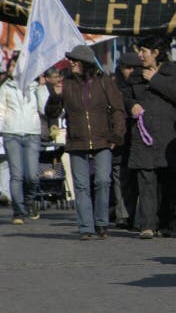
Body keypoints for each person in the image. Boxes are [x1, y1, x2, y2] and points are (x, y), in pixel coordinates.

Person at [45, 45, 125, 239]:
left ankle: (101, 223)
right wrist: (55, 96)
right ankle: (86, 227)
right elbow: (52, 113)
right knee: (81, 185)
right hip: (77, 141)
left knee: (103, 181)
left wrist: (117, 135)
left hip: (102, 139)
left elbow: (118, 109)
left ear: (85, 63)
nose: (71, 63)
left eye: (75, 60)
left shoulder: (103, 81)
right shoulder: (67, 83)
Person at [123, 37, 176, 239]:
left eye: (144, 51)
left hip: (168, 137)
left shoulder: (174, 71)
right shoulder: (135, 76)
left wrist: (155, 80)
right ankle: (147, 225)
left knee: (169, 182)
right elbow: (124, 95)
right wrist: (130, 104)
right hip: (144, 137)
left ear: (156, 53)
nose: (140, 55)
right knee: (146, 180)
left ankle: (165, 222)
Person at [0, 52, 50, 224]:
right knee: (16, 175)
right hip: (11, 134)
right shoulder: (5, 88)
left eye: (17, 65)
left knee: (32, 176)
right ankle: (18, 212)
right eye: (12, 66)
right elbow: (1, 112)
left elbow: (45, 109)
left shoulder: (34, 87)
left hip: (31, 134)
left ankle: (28, 201)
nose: (14, 68)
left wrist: (43, 87)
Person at [110, 52, 141, 229]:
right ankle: (123, 214)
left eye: (133, 68)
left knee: (139, 177)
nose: (130, 71)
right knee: (121, 176)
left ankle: (137, 214)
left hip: (139, 136)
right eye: (126, 68)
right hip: (121, 137)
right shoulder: (114, 86)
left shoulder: (142, 84)